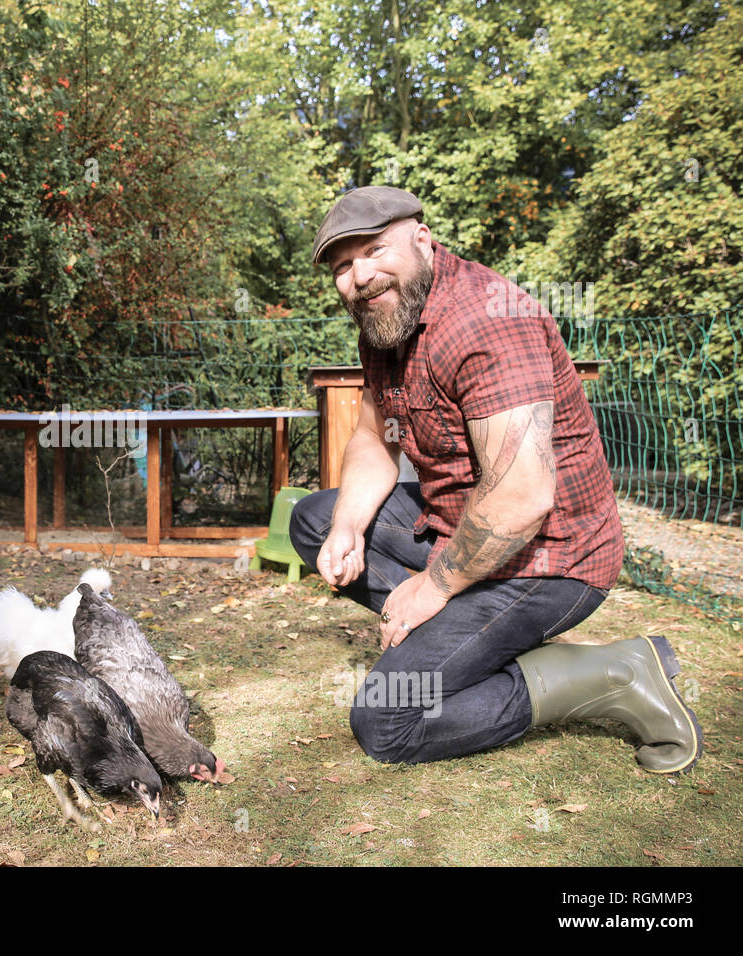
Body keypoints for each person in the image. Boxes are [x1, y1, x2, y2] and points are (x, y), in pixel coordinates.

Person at [289, 185, 701, 772]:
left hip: (551, 559)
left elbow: (522, 497)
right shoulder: (386, 320)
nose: (360, 276)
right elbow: (371, 438)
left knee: (386, 720)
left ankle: (612, 675)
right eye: (343, 266)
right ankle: (462, 635)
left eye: (376, 250)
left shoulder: (489, 322)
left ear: (423, 240)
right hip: (465, 525)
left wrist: (432, 587)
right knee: (314, 521)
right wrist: (349, 526)